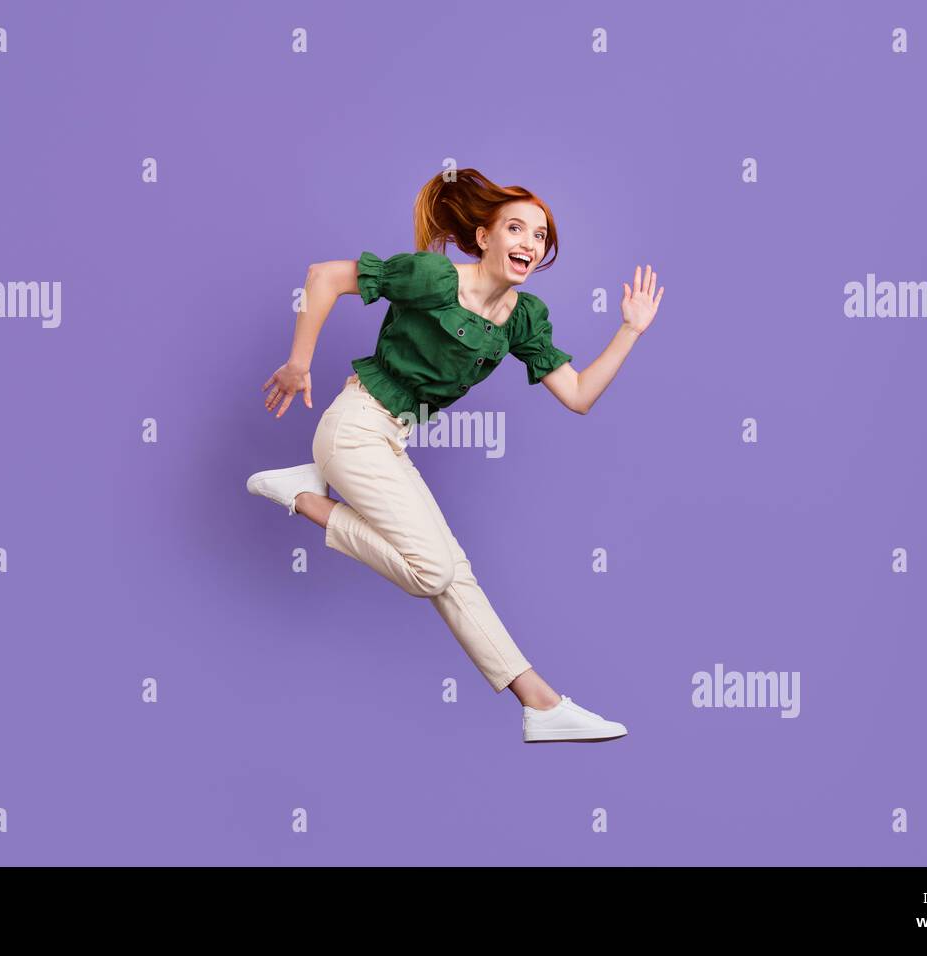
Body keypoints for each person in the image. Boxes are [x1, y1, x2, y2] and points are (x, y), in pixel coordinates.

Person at [247, 168, 663, 742]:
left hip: (390, 440)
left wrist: (629, 330)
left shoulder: (521, 319)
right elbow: (323, 277)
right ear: (484, 236)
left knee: (453, 575)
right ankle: (300, 493)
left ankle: (540, 704)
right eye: (516, 228)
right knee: (432, 570)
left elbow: (579, 396)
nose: (529, 243)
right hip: (355, 427)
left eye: (540, 237)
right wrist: (299, 363)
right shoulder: (435, 278)